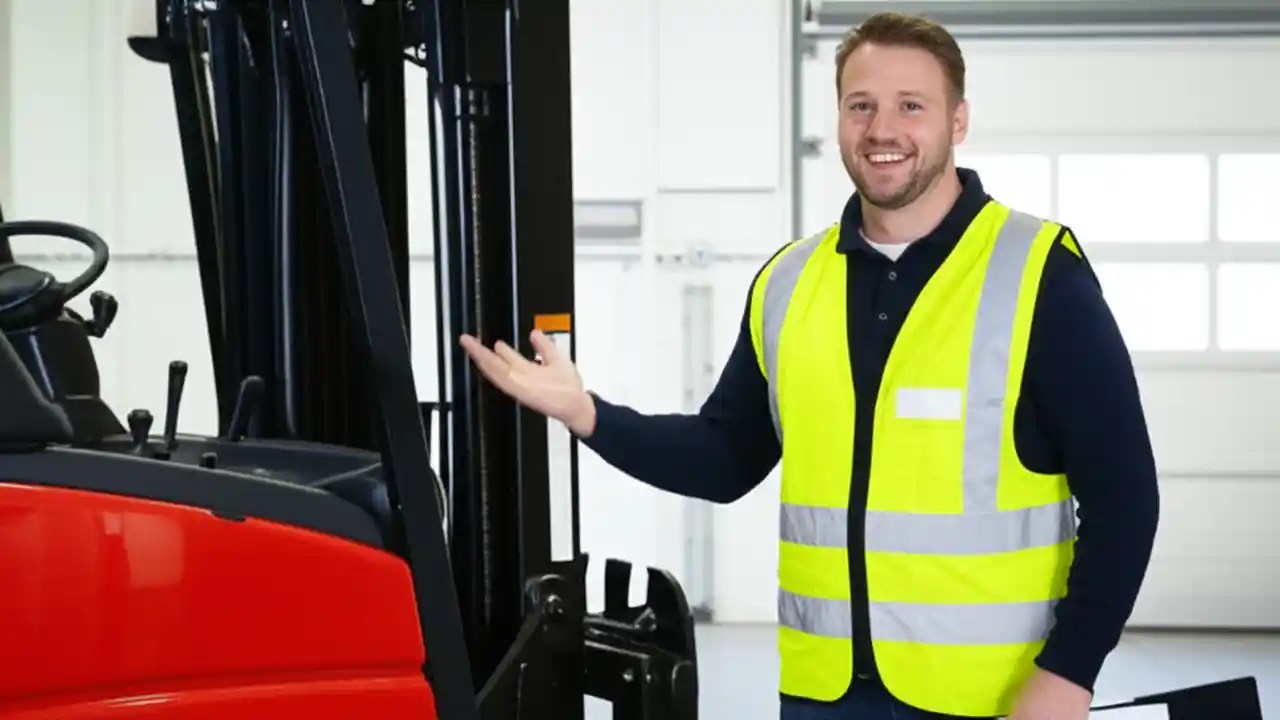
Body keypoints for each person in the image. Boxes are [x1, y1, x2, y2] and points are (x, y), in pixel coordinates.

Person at [460, 10, 1159, 720]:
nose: (882, 130)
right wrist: (589, 414)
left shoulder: (1039, 277)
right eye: (862, 106)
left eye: (910, 106)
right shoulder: (790, 284)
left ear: (957, 121)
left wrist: (1068, 674)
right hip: (823, 694)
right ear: (840, 121)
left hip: (990, 699)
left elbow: (1125, 499)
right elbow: (726, 458)